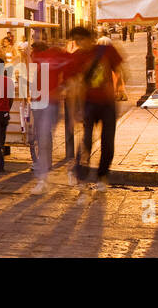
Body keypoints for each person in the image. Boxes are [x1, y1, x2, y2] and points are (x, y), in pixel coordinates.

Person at [70, 27, 126, 190]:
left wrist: (119, 90)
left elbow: (120, 71)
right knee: (86, 140)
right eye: (76, 40)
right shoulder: (77, 57)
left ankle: (102, 176)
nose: (79, 43)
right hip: (89, 103)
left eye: (81, 39)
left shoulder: (106, 50)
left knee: (108, 142)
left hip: (108, 103)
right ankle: (81, 175)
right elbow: (76, 83)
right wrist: (75, 109)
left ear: (90, 38)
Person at [28, 40, 76, 194]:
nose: (30, 54)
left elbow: (70, 76)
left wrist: (60, 89)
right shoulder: (39, 61)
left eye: (32, 51)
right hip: (40, 103)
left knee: (42, 136)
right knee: (41, 136)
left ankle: (43, 179)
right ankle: (44, 175)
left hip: (50, 103)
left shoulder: (53, 56)